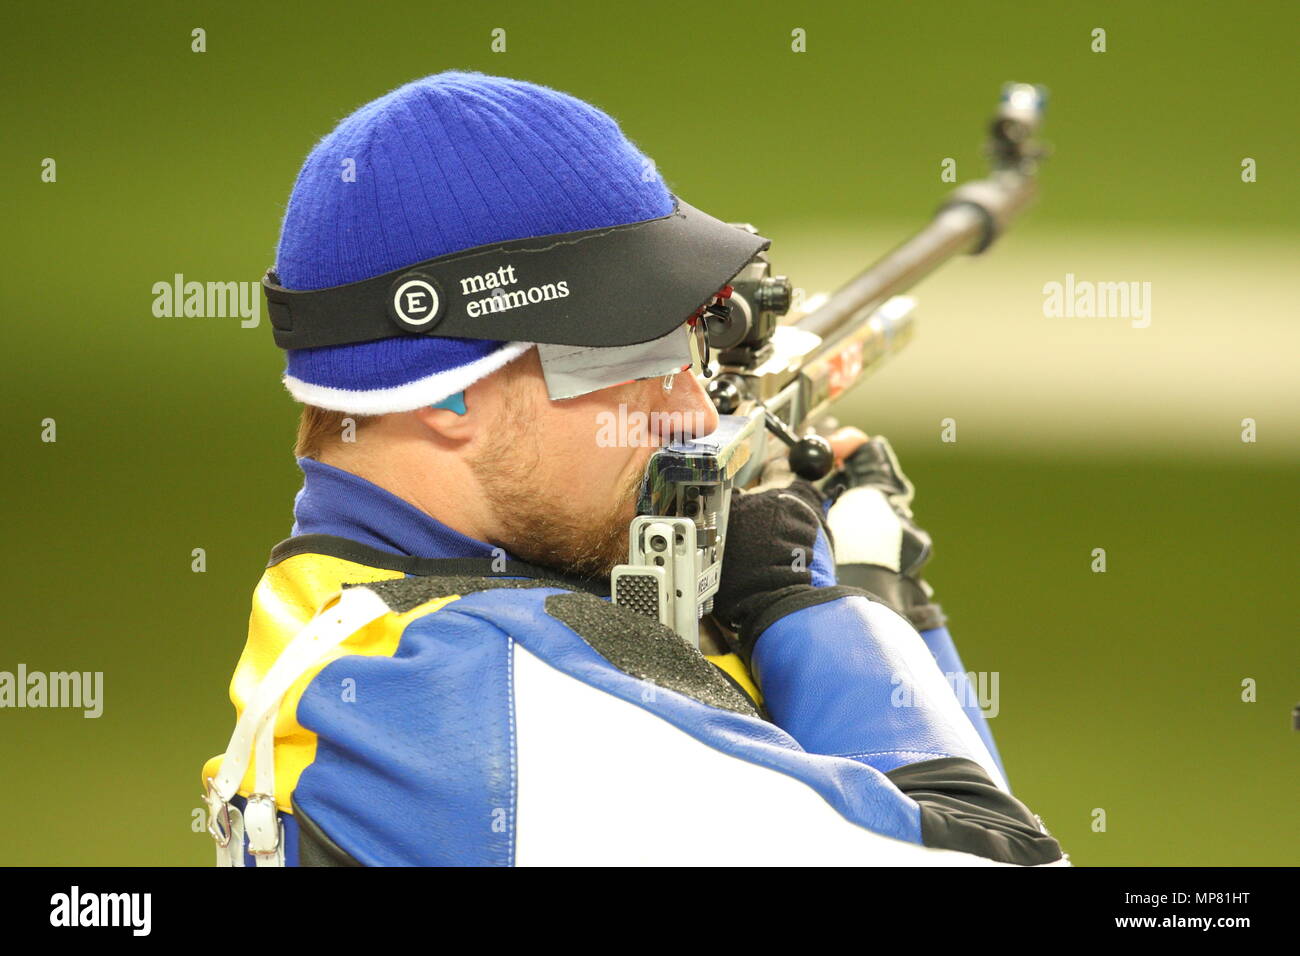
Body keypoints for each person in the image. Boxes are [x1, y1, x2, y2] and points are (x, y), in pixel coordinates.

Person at [201, 70, 1066, 867]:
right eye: (630, 355)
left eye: (690, 342)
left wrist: (866, 605)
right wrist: (828, 611)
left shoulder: (345, 612)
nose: (692, 410)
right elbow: (999, 854)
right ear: (440, 394)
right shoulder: (504, 694)